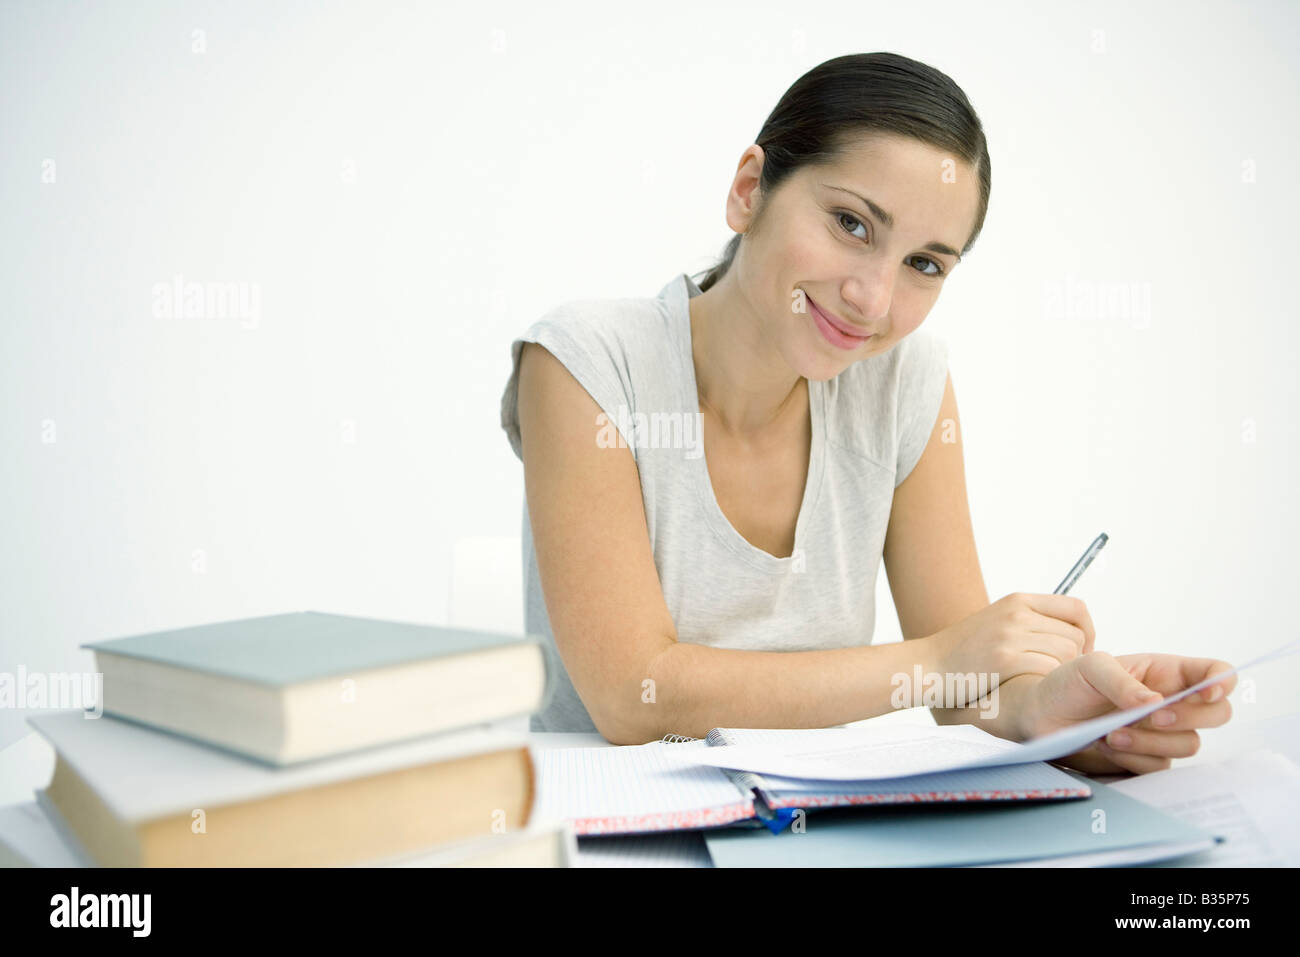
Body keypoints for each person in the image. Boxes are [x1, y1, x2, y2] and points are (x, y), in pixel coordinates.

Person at [499, 52, 1234, 774]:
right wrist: (942, 660)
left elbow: (963, 691)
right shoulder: (584, 362)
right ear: (749, 190)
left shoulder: (904, 382)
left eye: (924, 264)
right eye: (852, 223)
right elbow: (633, 696)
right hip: (609, 831)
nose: (873, 300)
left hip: (816, 830)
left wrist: (1053, 713)